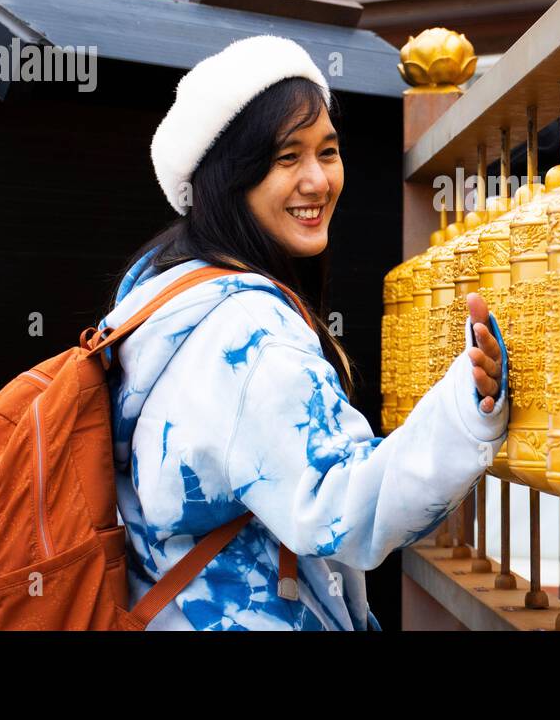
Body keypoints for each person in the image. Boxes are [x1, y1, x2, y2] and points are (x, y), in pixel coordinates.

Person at [100, 35, 508, 630]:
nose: (317, 181)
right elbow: (346, 512)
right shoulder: (248, 334)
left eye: (328, 151)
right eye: (287, 158)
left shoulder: (158, 300)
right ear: (229, 178)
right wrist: (468, 408)